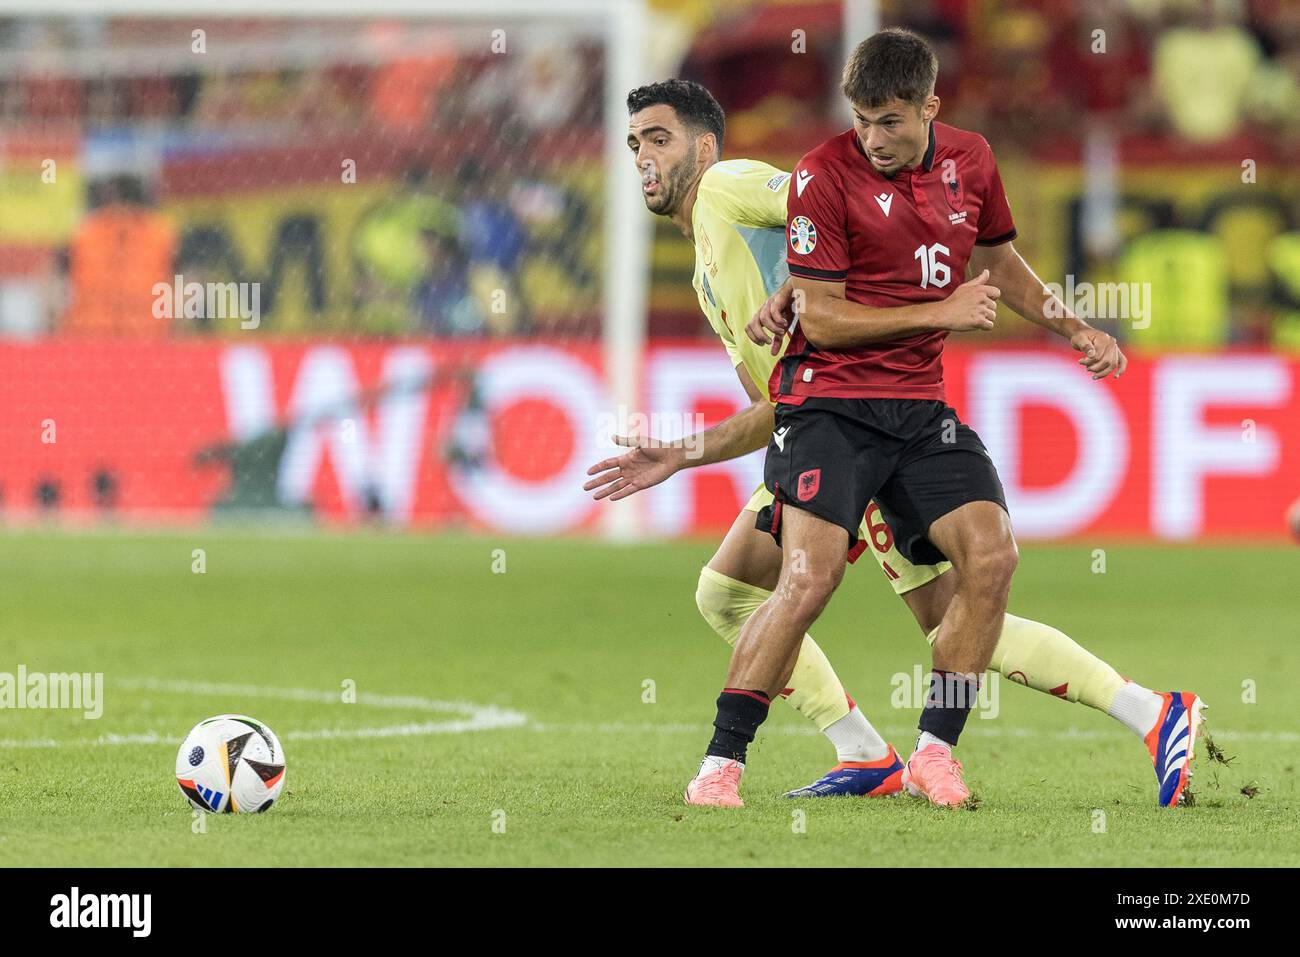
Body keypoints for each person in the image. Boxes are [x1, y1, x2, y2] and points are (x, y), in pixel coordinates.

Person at [590, 59, 1202, 810]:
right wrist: (681, 454)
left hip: (868, 410)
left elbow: (834, 200)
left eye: (658, 138)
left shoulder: (728, 187)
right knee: (751, 592)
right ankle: (873, 749)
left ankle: (1138, 712)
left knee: (905, 607)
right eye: (632, 145)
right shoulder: (706, 276)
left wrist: (814, 287)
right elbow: (774, 409)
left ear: (705, 149)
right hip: (822, 423)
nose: (644, 157)